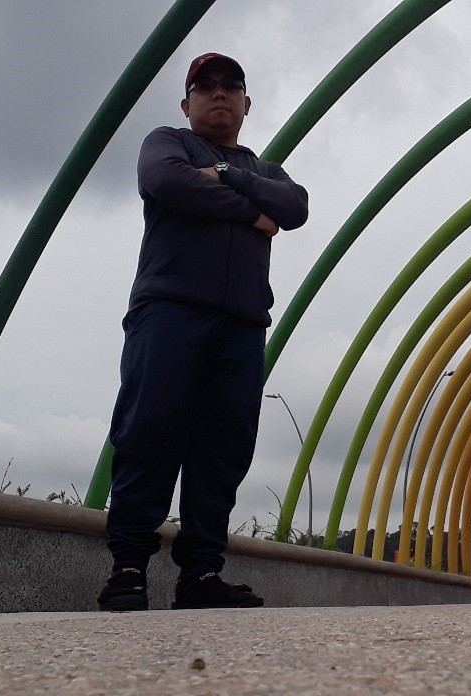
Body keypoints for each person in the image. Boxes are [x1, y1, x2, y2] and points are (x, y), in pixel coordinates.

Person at [98, 53, 309, 611]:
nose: (218, 94)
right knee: (150, 429)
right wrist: (247, 212)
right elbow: (165, 182)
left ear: (246, 104)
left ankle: (200, 575)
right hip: (170, 310)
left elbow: (295, 206)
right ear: (186, 103)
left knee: (224, 446)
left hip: (241, 323)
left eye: (230, 86)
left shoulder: (263, 169)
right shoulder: (167, 142)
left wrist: (229, 177)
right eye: (205, 86)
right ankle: (128, 566)